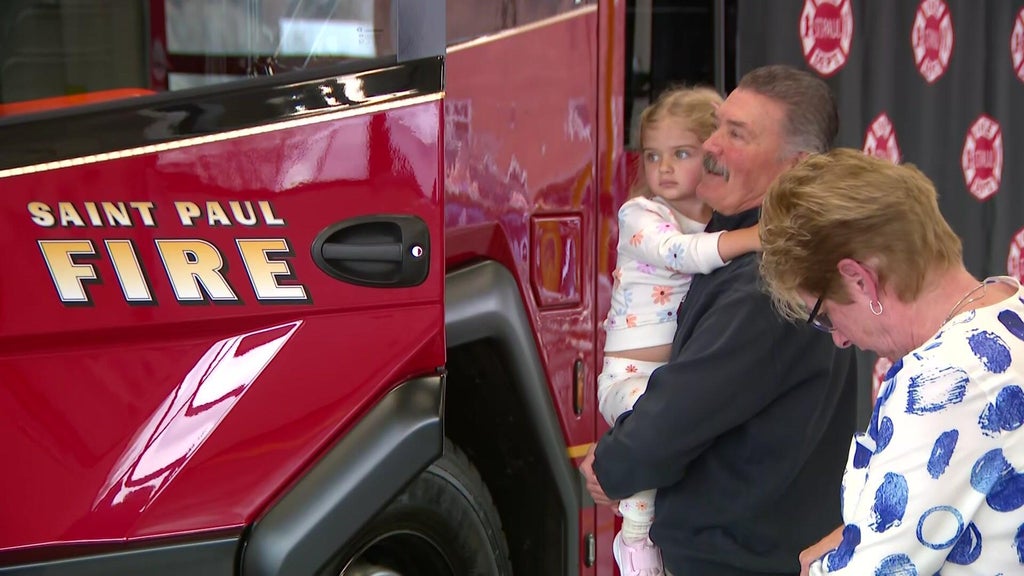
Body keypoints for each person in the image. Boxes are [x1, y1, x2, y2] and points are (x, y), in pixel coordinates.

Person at [579, 64, 859, 576]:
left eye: (737, 134)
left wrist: (614, 464)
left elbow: (676, 417)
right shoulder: (747, 254)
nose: (711, 146)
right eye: (716, 127)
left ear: (794, 166)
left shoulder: (769, 282)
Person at [758, 148, 1024, 575]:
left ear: (860, 280)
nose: (840, 339)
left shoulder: (946, 380)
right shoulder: (1010, 309)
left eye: (825, 314)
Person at [599, 86, 760, 576]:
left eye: (681, 154)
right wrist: (757, 237)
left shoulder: (712, 221)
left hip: (667, 376)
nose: (664, 168)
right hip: (629, 374)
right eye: (653, 156)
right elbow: (682, 255)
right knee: (649, 445)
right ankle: (634, 544)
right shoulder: (642, 215)